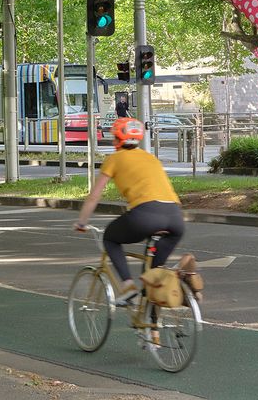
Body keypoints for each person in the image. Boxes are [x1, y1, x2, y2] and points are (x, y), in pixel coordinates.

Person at [73, 116, 184, 305]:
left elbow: (94, 196)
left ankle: (127, 286)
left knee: (109, 237)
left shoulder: (114, 159)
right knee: (152, 278)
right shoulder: (151, 159)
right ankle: (152, 328)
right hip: (175, 218)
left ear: (118, 139)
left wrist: (82, 222)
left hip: (145, 216)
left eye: (113, 138)